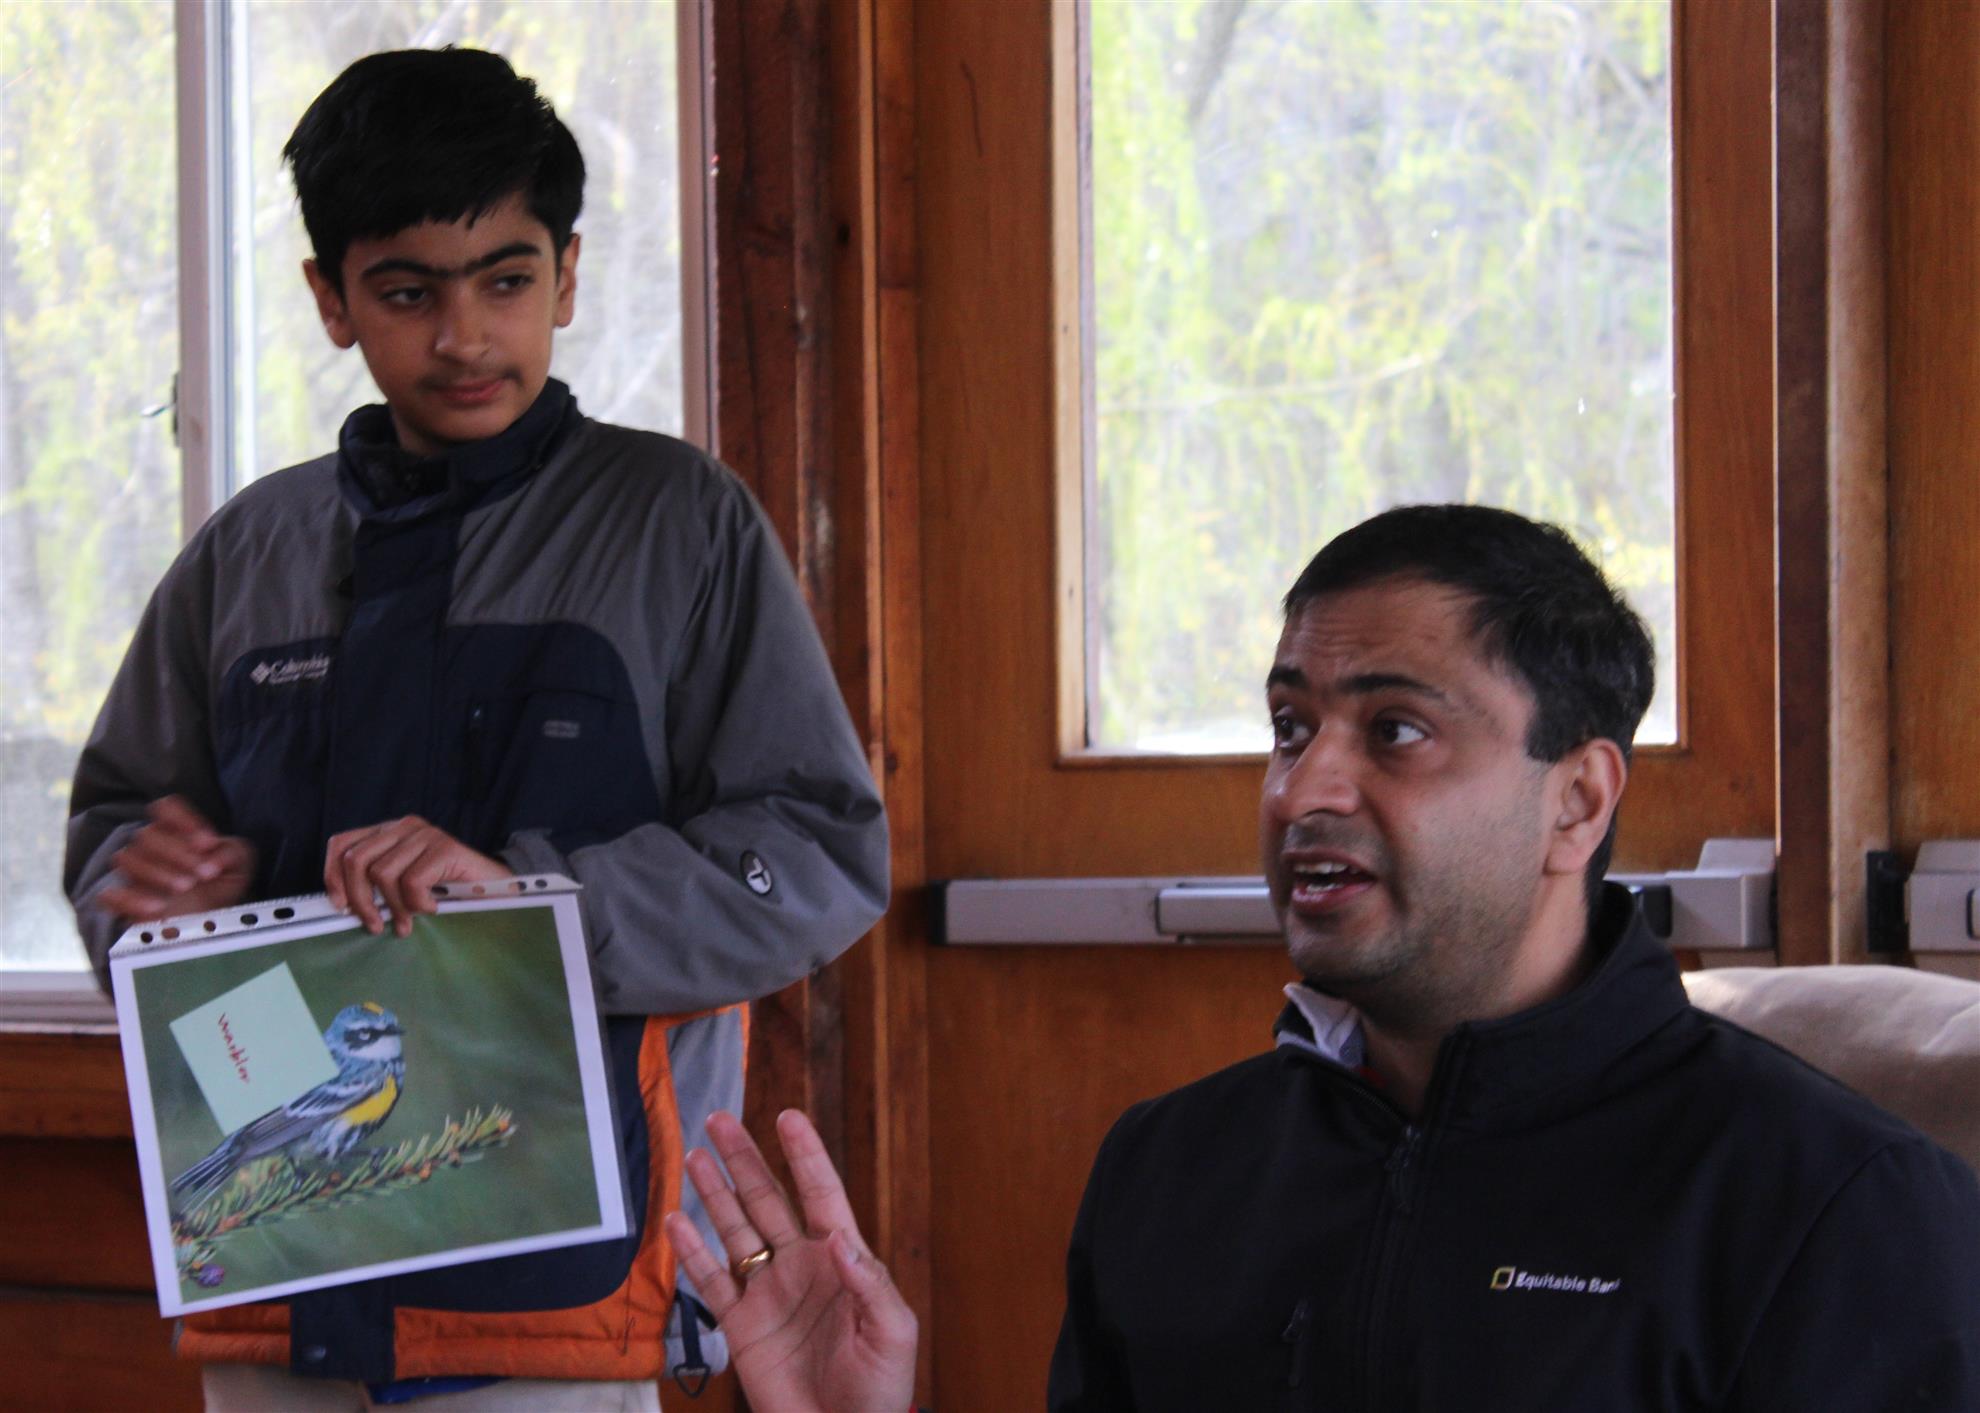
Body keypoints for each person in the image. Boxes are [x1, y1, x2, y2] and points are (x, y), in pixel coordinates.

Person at [676, 505, 1980, 1411]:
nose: (1304, 790)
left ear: (1577, 800)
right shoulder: (1171, 1170)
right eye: (1290, 726)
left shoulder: (1833, 1204)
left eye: (1395, 730)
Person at [63, 47, 888, 1412]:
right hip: (282, 1278)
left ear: (567, 275)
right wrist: (165, 918)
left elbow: (817, 853)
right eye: (408, 292)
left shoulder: (677, 525)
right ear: (331, 299)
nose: (463, 337)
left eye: (505, 281)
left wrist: (534, 906)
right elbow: (122, 844)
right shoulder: (244, 555)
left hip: (565, 1299)